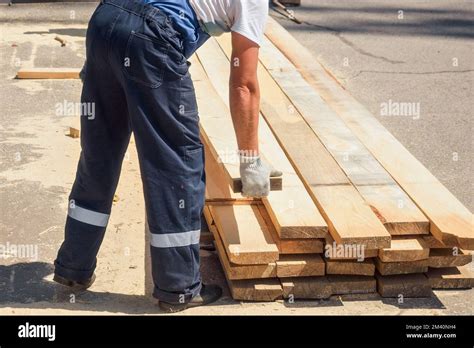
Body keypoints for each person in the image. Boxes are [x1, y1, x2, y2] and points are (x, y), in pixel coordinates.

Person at [54, 0, 280, 313]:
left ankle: (72, 267)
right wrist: (250, 159)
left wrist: (105, 59)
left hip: (107, 20)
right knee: (175, 164)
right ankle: (178, 287)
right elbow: (244, 82)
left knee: (99, 155)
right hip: (150, 38)